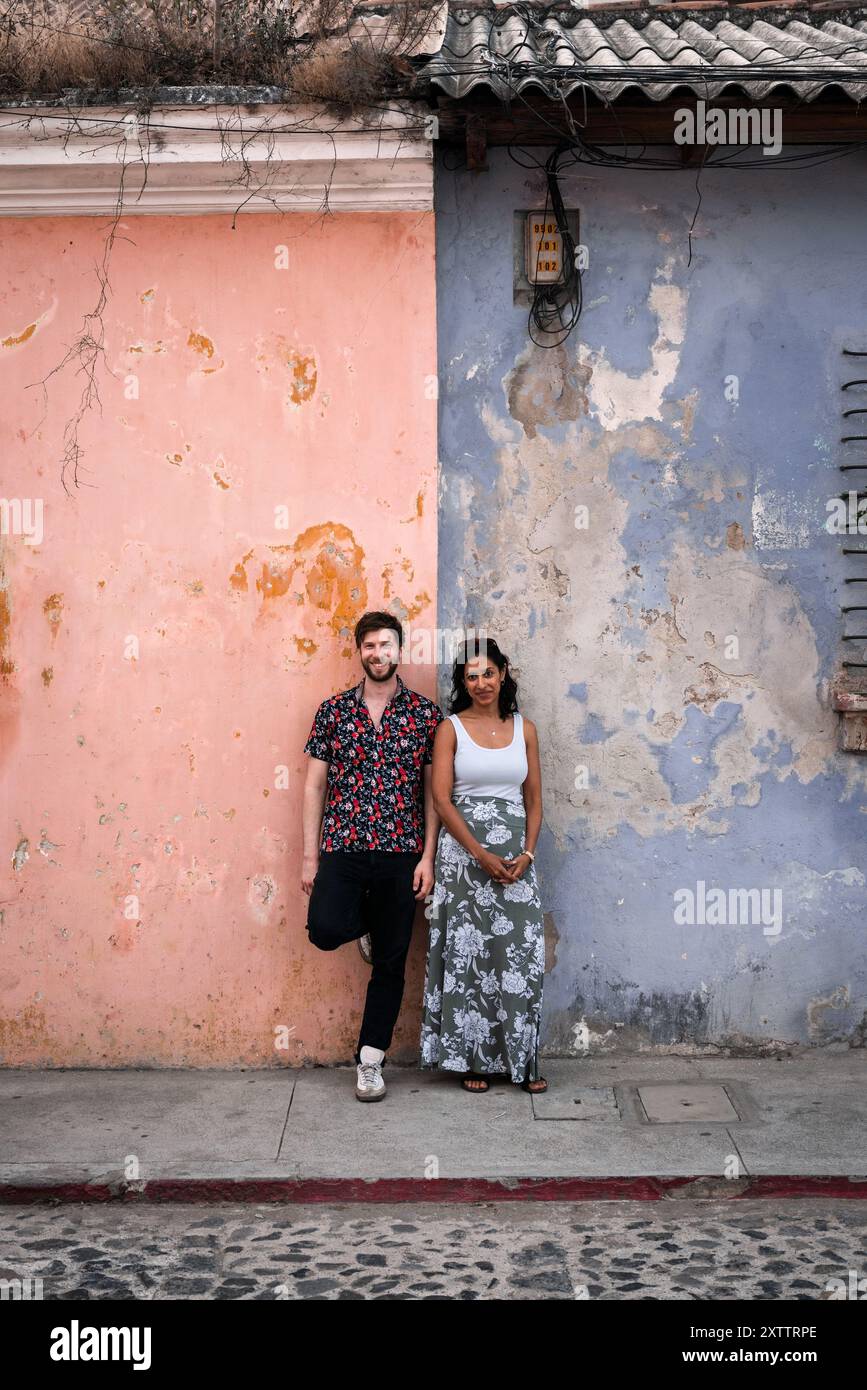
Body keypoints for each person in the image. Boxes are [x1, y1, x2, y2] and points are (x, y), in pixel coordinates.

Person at [301, 611, 443, 1102]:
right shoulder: (333, 711)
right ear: (359, 652)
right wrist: (308, 857)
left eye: (386, 645)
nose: (378, 654)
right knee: (322, 928)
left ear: (399, 650)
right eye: (369, 646)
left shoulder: (426, 715)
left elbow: (433, 793)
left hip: (402, 851)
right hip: (343, 845)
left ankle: (370, 1060)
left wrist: (428, 857)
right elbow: (314, 784)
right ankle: (362, 923)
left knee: (391, 960)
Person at [419, 637, 547, 1094]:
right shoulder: (449, 728)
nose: (481, 683)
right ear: (464, 683)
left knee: (521, 957)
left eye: (487, 673)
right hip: (465, 856)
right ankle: (471, 1059)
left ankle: (524, 1063)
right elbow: (440, 797)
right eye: (471, 676)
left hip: (517, 859)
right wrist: (479, 853)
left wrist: (528, 853)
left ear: (503, 672)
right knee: (470, 957)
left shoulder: (524, 728)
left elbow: (534, 800)